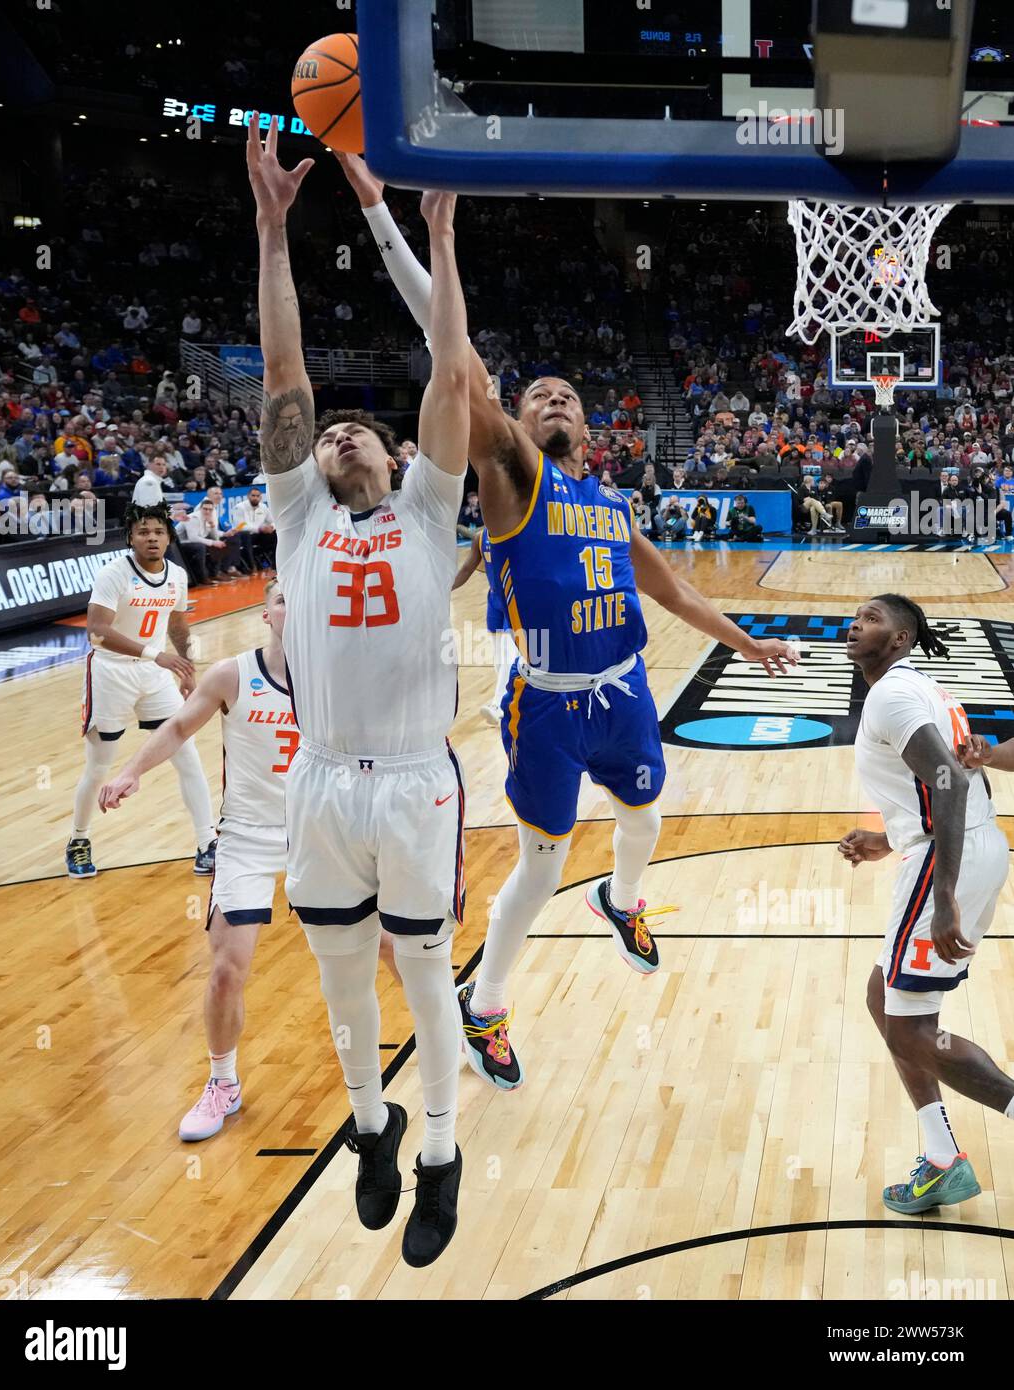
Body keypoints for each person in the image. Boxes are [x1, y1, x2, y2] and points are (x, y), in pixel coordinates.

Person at [337, 149, 798, 1095]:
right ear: (518, 418)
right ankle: (487, 1003)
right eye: (539, 393)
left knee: (645, 817)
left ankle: (622, 902)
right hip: (543, 706)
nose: (552, 400)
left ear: (589, 426)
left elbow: (671, 595)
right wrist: (415, 227)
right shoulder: (512, 474)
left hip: (624, 689)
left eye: (568, 397)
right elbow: (453, 356)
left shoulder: (608, 501)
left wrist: (750, 643)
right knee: (538, 868)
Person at [248, 114, 468, 1267]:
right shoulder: (299, 519)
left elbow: (449, 368)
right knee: (340, 980)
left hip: (415, 783)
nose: (333, 431)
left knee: (424, 973)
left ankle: (438, 1148)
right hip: (323, 782)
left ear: (393, 458)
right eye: (325, 432)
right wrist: (274, 229)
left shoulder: (433, 508)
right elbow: (285, 371)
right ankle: (372, 1131)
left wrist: (416, 224)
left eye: (352, 431)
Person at [99, 582, 296, 1141]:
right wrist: (131, 770)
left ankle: (453, 1021)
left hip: (320, 832)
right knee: (226, 971)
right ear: (266, 613)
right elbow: (180, 725)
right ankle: (223, 1083)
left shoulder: (338, 676)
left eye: (303, 597)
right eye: (282, 598)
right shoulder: (234, 674)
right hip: (248, 836)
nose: (292, 607)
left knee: (383, 944)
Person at [840, 594, 1013, 1214]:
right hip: (962, 844)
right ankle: (942, 1158)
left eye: (874, 618)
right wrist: (891, 839)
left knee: (909, 1029)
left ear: (902, 638)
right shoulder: (913, 687)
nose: (857, 623)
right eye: (857, 615)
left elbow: (947, 779)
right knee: (883, 995)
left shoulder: (892, 693)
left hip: (948, 856)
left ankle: (957, 1150)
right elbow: (941, 782)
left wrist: (942, 894)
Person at [66, 502, 216, 880]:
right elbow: (97, 632)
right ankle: (79, 840)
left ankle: (207, 842)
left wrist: (187, 669)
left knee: (188, 756)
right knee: (99, 765)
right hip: (110, 674)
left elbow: (178, 627)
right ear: (130, 537)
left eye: (159, 532)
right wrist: (157, 655)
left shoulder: (177, 575)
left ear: (168, 536)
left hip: (155, 676)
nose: (152, 538)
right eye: (144, 532)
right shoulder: (113, 573)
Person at [452, 528, 517, 726]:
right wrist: (443, 588)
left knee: (508, 653)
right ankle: (510, 699)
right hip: (494, 599)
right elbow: (466, 569)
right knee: (498, 658)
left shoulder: (515, 530)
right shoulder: (480, 537)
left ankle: (498, 704)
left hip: (514, 599)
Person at [231, 484, 277, 569]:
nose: (255, 498)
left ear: (260, 497)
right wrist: (259, 529)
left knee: (275, 534)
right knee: (246, 535)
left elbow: (273, 521)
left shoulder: (263, 506)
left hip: (259, 535)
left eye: (257, 496)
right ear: (248, 496)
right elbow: (240, 526)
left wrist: (271, 528)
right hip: (244, 535)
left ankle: (275, 563)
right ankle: (252, 567)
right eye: (253, 495)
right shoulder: (239, 507)